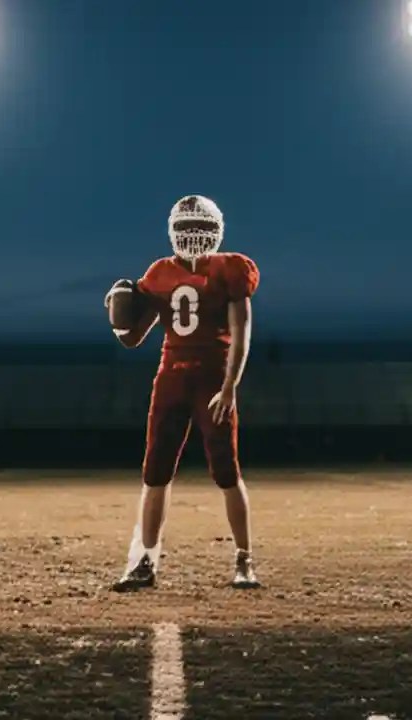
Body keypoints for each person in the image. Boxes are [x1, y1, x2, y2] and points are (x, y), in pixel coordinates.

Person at [104, 194, 261, 592]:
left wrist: (229, 387)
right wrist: (118, 318)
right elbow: (134, 339)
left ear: (217, 232)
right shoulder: (159, 273)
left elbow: (242, 335)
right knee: (155, 473)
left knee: (227, 472)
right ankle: (145, 561)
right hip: (171, 377)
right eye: (187, 228)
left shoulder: (229, 268)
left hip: (213, 379)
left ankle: (244, 560)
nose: (193, 236)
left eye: (201, 228)